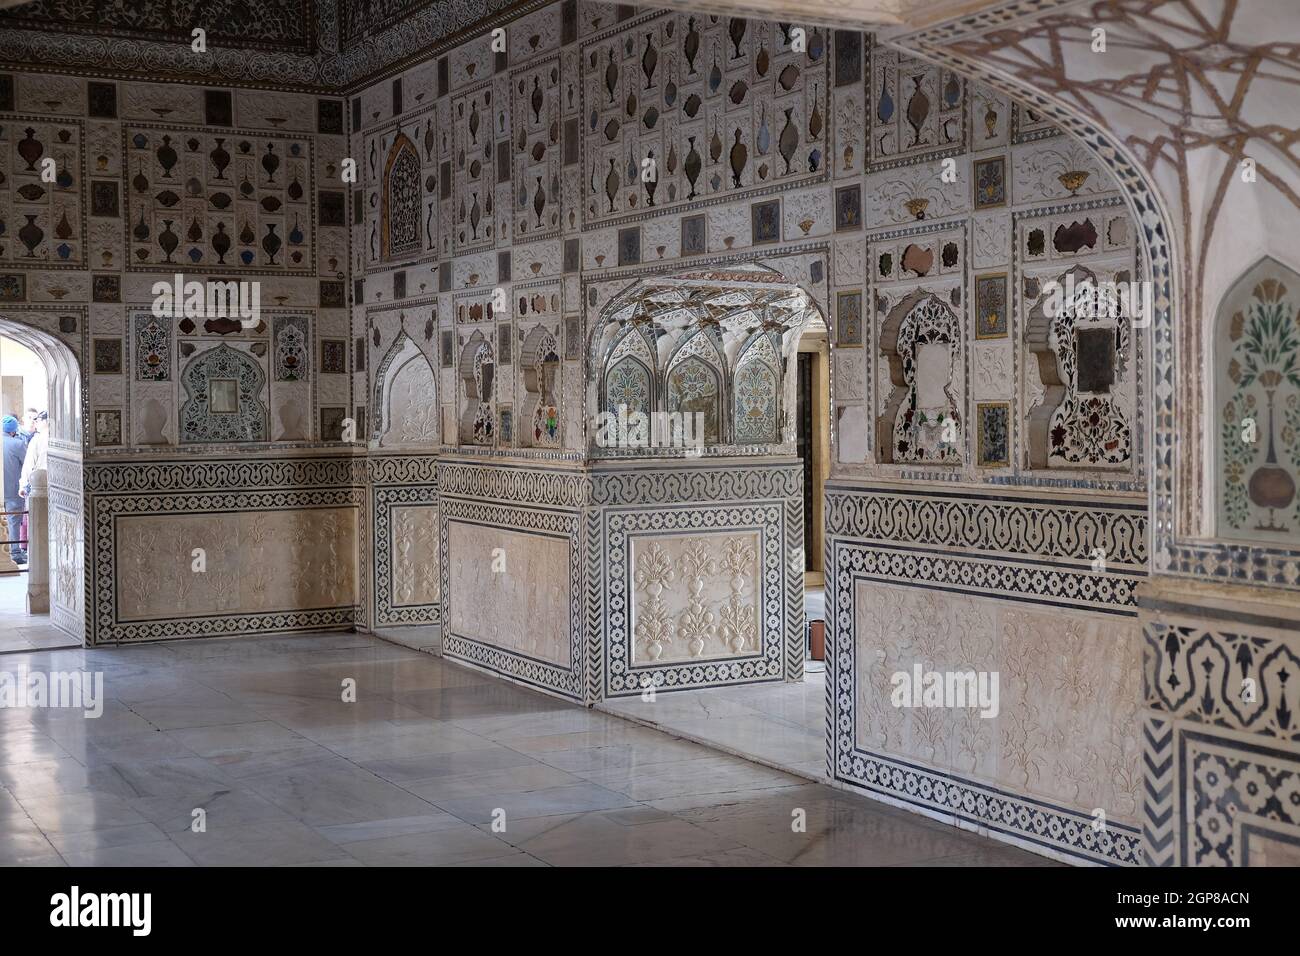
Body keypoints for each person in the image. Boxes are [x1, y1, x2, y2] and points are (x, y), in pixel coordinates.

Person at [2, 415, 27, 565]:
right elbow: (27, 464)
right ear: (14, 430)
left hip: (2, 490)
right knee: (13, 521)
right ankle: (15, 553)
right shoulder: (17, 444)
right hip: (13, 491)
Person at [20, 411, 48, 498]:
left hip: (39, 484)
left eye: (37, 421)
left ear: (45, 422)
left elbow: (29, 464)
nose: (36, 424)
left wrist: (23, 485)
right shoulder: (61, 439)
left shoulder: (37, 440)